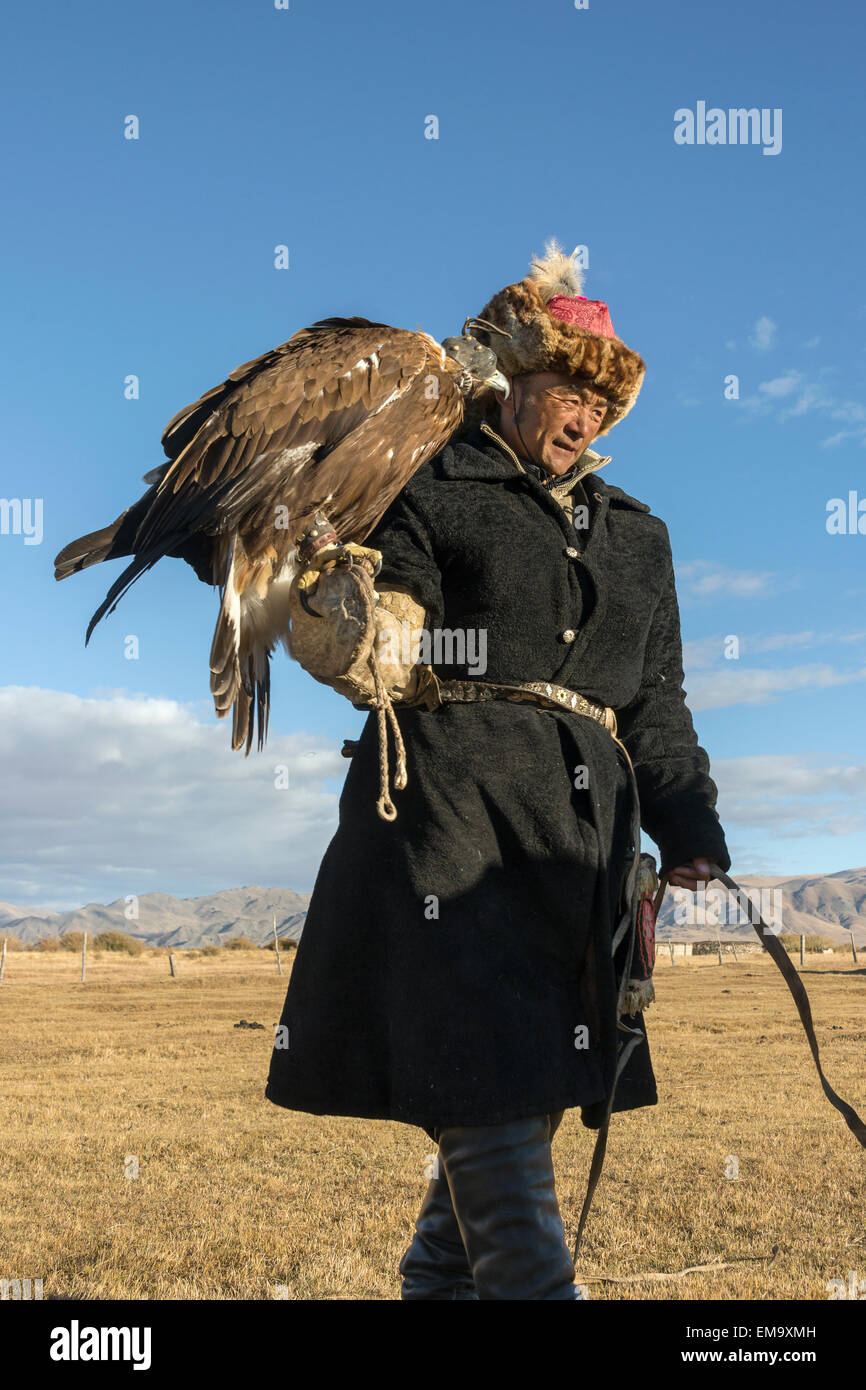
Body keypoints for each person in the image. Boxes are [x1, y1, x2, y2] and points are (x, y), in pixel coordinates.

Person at [265, 241, 731, 1300]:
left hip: (577, 860)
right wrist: (366, 623)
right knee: (488, 1108)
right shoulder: (434, 485)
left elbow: (655, 700)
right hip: (450, 830)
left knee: (510, 1112)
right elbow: (398, 611)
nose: (582, 418)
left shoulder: (638, 538)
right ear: (513, 384)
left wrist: (689, 826)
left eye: (599, 404)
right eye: (566, 390)